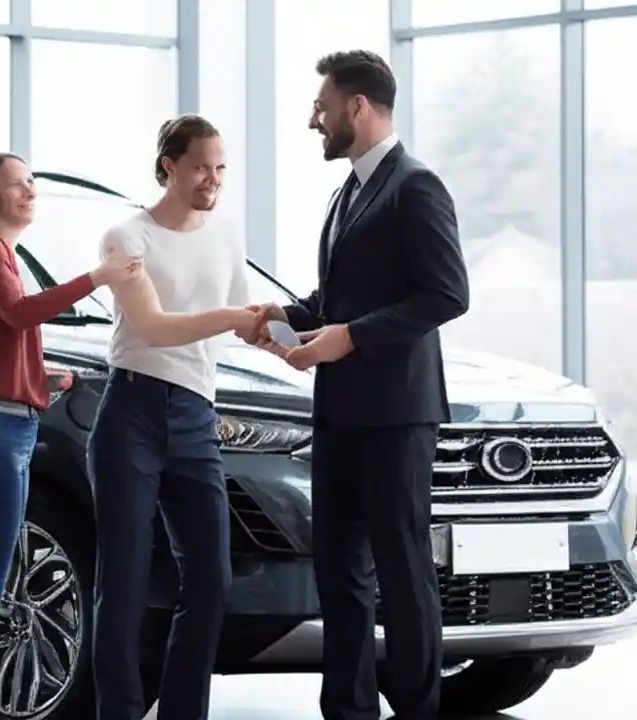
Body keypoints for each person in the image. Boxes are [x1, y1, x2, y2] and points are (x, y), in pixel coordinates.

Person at [242, 50, 469, 720]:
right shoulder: (349, 190)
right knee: (338, 574)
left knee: (402, 574)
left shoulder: (415, 186)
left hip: (397, 417)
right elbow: (344, 297)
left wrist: (351, 337)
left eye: (322, 106)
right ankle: (347, 711)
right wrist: (288, 318)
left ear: (358, 107)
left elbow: (447, 294)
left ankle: (417, 710)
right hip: (338, 414)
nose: (315, 119)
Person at [0, 152, 142, 720]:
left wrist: (40, 376)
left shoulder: (3, 257)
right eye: (16, 185)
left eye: (32, 184)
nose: (29, 193)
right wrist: (98, 277)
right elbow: (20, 313)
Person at [88, 114, 259, 720]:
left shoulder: (227, 233)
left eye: (219, 169)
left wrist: (304, 350)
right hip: (132, 410)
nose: (211, 180)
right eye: (199, 168)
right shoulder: (126, 237)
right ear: (167, 165)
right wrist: (234, 319)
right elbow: (156, 328)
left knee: (211, 580)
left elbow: (246, 320)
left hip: (196, 415)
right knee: (126, 583)